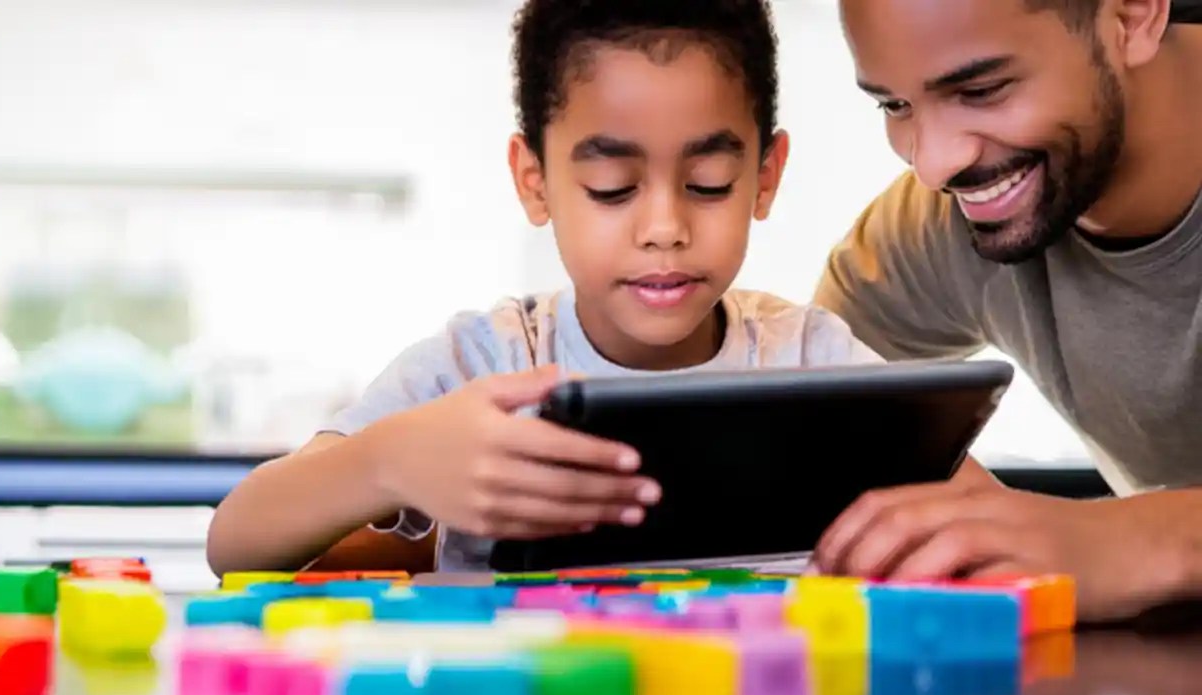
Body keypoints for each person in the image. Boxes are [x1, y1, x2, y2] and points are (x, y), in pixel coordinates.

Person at [206, 0, 966, 577]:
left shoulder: (811, 358)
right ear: (534, 183)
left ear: (764, 177)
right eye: (611, 187)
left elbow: (982, 524)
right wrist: (390, 462)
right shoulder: (482, 366)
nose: (664, 227)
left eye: (709, 184)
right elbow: (234, 539)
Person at [810, 0, 1202, 622]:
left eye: (982, 89)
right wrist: (962, 527)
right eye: (895, 105)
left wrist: (1139, 538)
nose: (933, 165)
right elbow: (804, 420)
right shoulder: (934, 228)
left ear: (1131, 17)